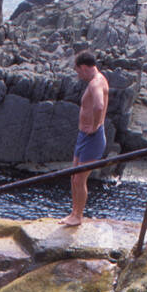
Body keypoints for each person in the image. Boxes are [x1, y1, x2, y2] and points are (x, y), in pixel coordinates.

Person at [61, 51, 109, 227]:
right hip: (84, 136)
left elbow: (98, 106)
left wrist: (95, 126)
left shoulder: (96, 83)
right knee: (74, 177)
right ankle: (74, 212)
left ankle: (78, 216)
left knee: (80, 179)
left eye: (78, 71)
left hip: (93, 138)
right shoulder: (96, 80)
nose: (78, 75)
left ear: (84, 67)